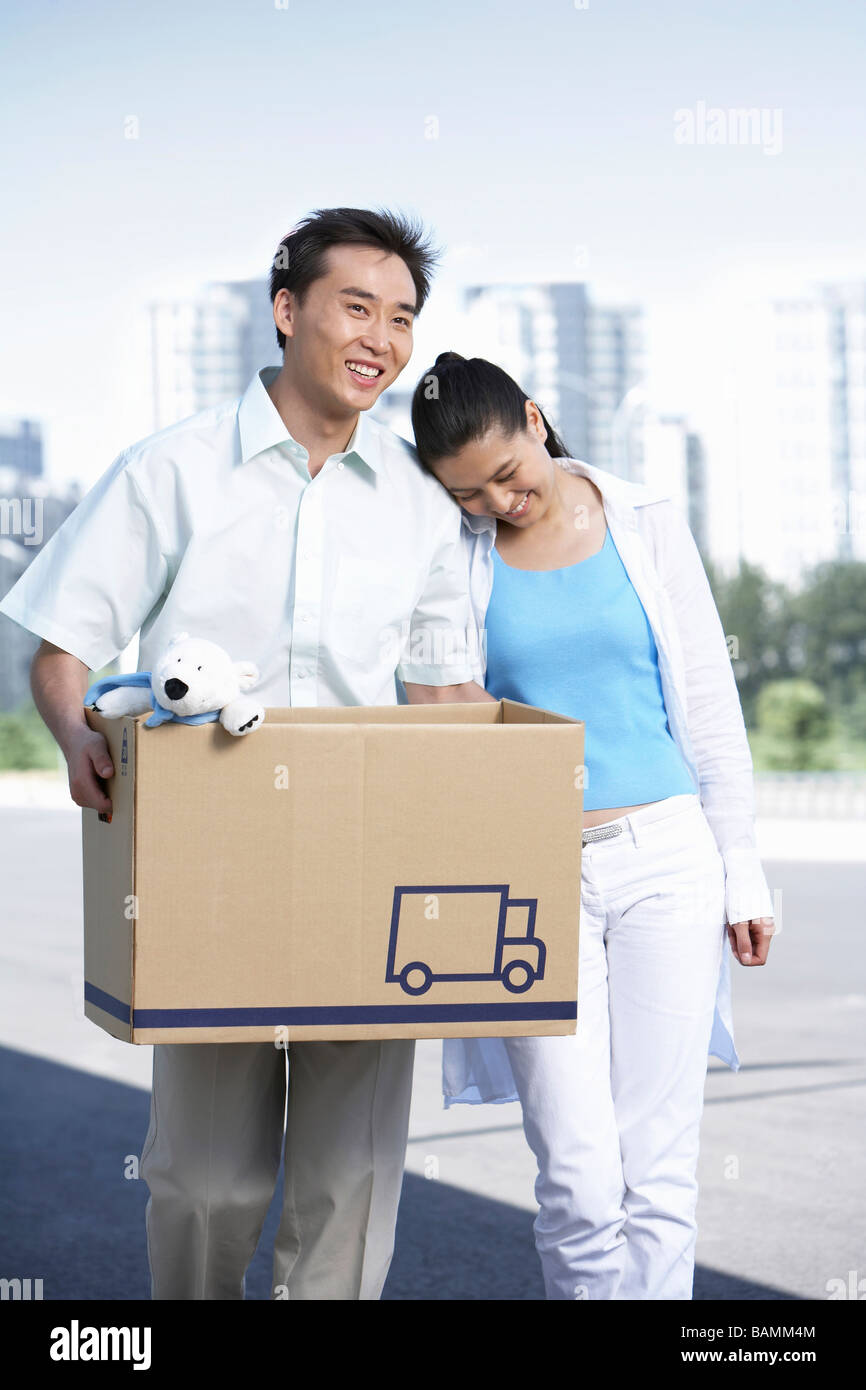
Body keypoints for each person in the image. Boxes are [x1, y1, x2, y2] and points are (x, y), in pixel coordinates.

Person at [0, 211, 493, 1301]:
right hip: (207, 864)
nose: (381, 338)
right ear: (286, 311)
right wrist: (78, 733)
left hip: (370, 863)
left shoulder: (419, 503)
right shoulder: (170, 470)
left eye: (401, 317)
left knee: (351, 1180)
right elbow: (64, 645)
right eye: (355, 307)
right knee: (207, 1181)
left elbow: (444, 687)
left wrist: (527, 795)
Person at [410, 351, 776, 1301]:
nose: (497, 502)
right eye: (468, 494)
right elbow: (444, 715)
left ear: (538, 419)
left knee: (657, 1169)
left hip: (668, 859)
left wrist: (743, 870)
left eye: (506, 474)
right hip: (530, 879)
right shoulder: (454, 558)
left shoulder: (646, 521)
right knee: (576, 1175)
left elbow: (707, 701)